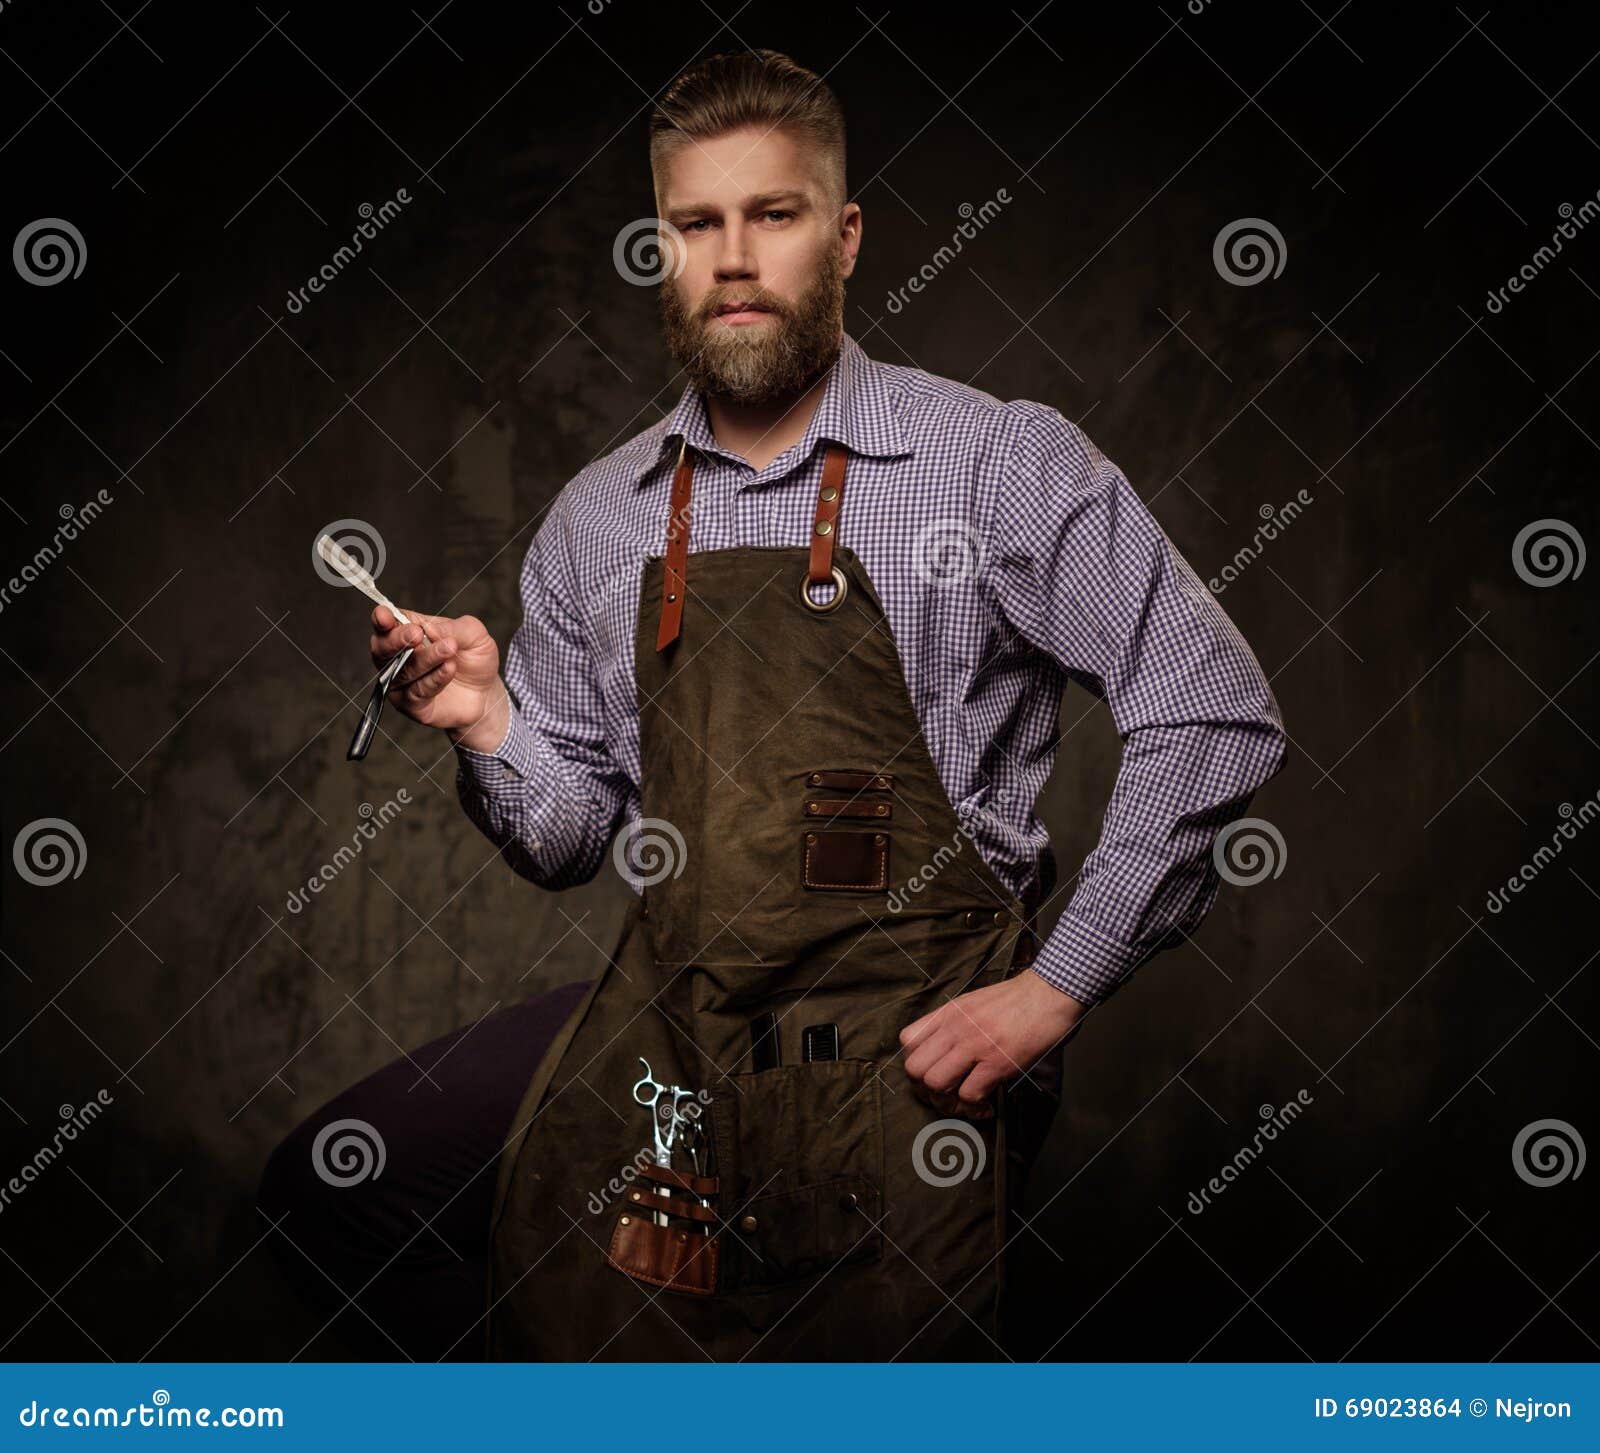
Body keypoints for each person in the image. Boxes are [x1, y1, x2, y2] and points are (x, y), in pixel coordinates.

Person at [259, 48, 1287, 1362]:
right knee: (340, 1193)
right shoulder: (598, 519)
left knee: (824, 1369)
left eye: (774, 215)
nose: (733, 257)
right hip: (684, 1025)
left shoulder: (991, 460)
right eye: (697, 224)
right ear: (663, 249)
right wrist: (486, 719)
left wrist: (1056, 986)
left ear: (845, 238)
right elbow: (574, 836)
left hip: (909, 1043)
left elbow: (1210, 708)